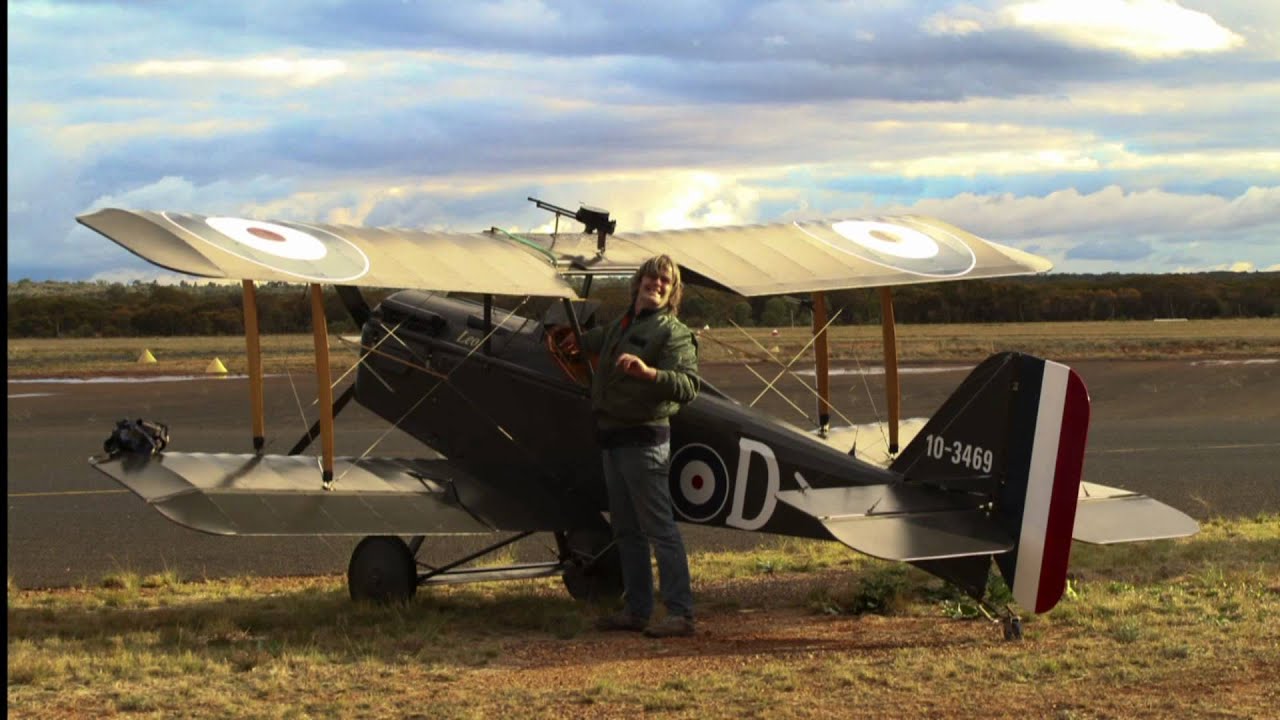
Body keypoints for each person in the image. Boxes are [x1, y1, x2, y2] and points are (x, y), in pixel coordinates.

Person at [565, 254, 701, 638]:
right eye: (652, 277)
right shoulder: (622, 325)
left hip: (644, 443)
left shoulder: (672, 332)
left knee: (660, 529)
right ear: (638, 282)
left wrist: (649, 372)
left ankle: (681, 613)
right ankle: (638, 610)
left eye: (665, 281)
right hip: (613, 440)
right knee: (626, 530)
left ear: (672, 291)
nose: (657, 284)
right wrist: (568, 339)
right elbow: (589, 340)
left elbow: (689, 386)